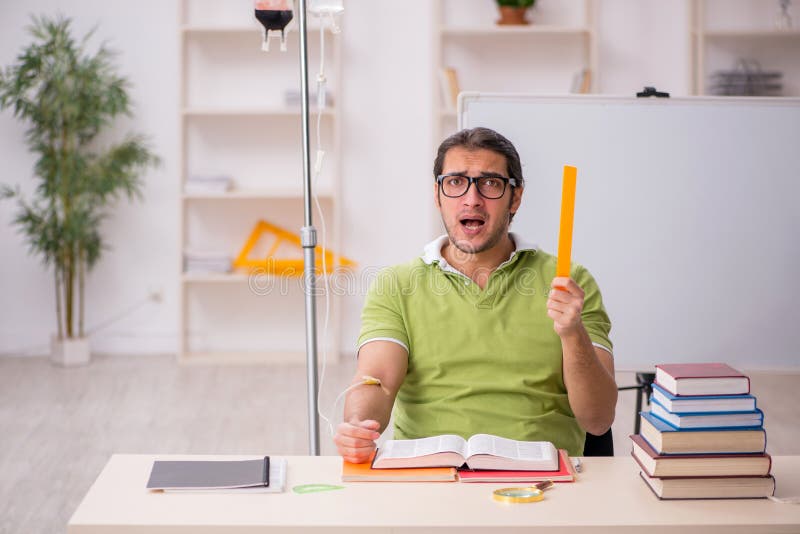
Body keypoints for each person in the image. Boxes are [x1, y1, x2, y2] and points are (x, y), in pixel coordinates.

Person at [334, 127, 617, 463]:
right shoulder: (397, 284)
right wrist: (357, 426)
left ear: (516, 197)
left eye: (490, 183)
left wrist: (574, 335)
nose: (472, 199)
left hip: (540, 482)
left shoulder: (570, 281)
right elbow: (377, 380)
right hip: (432, 476)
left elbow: (598, 420)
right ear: (438, 195)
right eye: (455, 182)